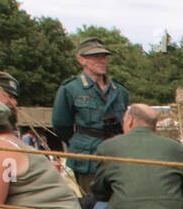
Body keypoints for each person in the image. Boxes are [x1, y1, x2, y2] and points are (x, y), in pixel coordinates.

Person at [51, 37, 129, 192]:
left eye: (104, 57)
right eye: (96, 57)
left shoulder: (119, 91)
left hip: (116, 155)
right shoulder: (71, 89)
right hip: (88, 156)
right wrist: (80, 142)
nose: (102, 61)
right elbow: (61, 124)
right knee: (92, 202)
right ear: (82, 60)